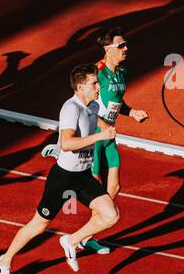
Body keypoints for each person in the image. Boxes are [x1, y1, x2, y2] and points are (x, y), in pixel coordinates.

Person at [0, 65, 119, 274]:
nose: (98, 87)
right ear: (80, 87)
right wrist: (100, 136)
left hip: (82, 175)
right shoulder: (71, 109)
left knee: (110, 215)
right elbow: (68, 143)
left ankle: (71, 240)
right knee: (39, 225)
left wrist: (108, 125)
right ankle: (5, 261)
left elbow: (97, 122)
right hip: (63, 177)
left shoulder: (92, 105)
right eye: (94, 84)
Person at [41, 25, 147, 254]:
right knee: (96, 187)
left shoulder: (122, 72)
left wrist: (132, 112)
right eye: (121, 45)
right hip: (96, 138)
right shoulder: (96, 72)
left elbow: (117, 102)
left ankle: (85, 237)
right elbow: (86, 105)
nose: (126, 48)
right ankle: (82, 237)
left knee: (115, 187)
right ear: (108, 50)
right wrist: (102, 128)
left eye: (125, 44)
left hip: (109, 136)